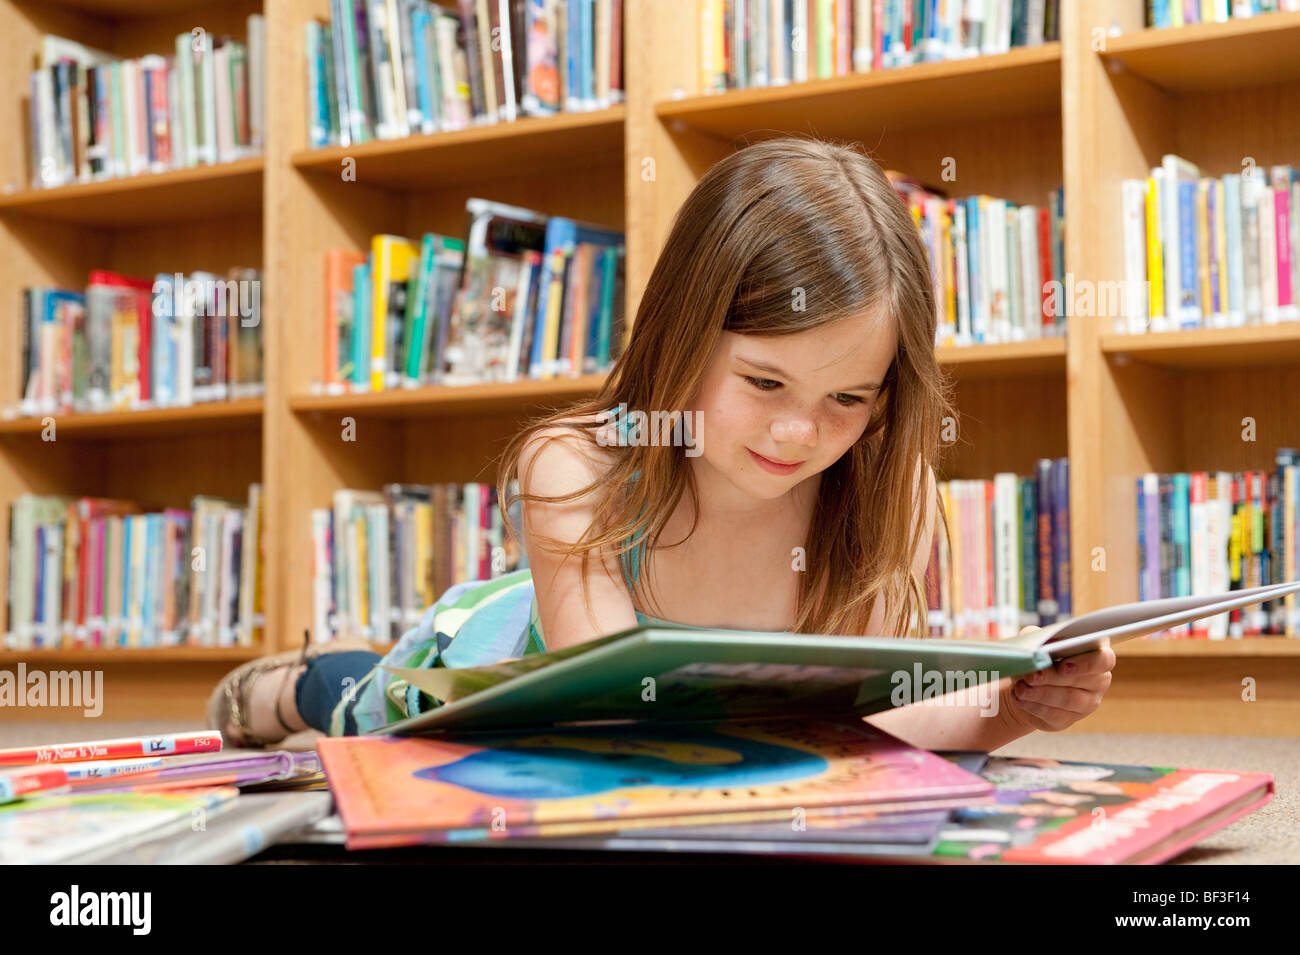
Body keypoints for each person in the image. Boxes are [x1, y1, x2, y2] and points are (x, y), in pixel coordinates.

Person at [207, 136, 1115, 750]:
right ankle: (308, 678)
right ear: (680, 335)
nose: (800, 432)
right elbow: (606, 729)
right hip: (485, 685)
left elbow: (864, 722)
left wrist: (1007, 704)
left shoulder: (890, 490)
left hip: (689, 749)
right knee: (363, 716)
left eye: (847, 397)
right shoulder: (574, 468)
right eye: (764, 382)